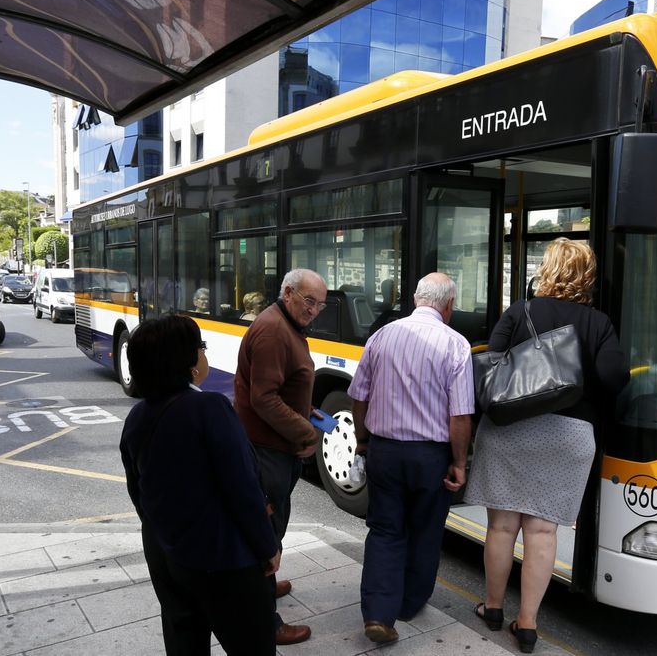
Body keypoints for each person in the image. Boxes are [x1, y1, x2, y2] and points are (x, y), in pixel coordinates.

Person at [466, 238, 628, 653]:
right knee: (542, 532)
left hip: (510, 431)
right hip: (568, 436)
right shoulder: (598, 323)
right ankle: (527, 625)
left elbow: (494, 361)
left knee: (502, 527)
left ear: (547, 269)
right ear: (587, 276)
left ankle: (493, 607)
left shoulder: (521, 311)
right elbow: (615, 377)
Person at [120, 315, 279, 656]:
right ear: (188, 362)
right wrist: (267, 547)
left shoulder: (137, 417)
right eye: (201, 347)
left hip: (165, 556)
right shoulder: (210, 408)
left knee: (185, 643)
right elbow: (242, 489)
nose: (204, 355)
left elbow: (138, 492)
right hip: (221, 559)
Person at [350, 273, 473, 644]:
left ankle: (378, 613)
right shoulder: (456, 344)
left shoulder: (381, 336)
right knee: (426, 529)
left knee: (385, 530)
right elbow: (460, 415)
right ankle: (408, 603)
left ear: (417, 299)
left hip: (384, 450)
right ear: (448, 305)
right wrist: (459, 463)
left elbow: (359, 396)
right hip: (430, 456)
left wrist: (362, 440)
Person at [233, 267, 326, 646]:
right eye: (309, 301)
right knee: (266, 532)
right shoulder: (273, 330)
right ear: (288, 293)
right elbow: (264, 398)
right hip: (267, 450)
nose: (314, 310)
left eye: (320, 305)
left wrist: (307, 413)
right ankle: (265, 622)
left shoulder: (285, 324)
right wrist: (306, 432)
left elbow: (283, 389)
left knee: (273, 525)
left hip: (275, 447)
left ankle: (267, 588)